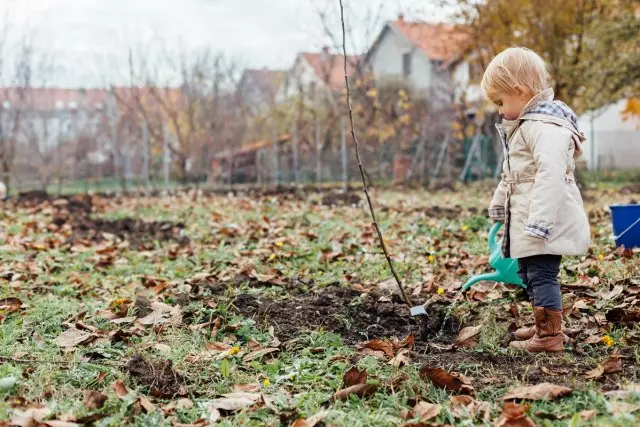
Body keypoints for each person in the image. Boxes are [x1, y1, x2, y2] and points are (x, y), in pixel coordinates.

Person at [482, 47, 590, 353]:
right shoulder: (526, 126)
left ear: (520, 91)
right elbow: (514, 174)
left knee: (542, 273)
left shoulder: (544, 127)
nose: (501, 111)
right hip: (528, 215)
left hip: (544, 218)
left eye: (502, 102)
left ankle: (549, 336)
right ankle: (545, 322)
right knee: (528, 271)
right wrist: (500, 202)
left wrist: (541, 221)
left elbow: (550, 173)